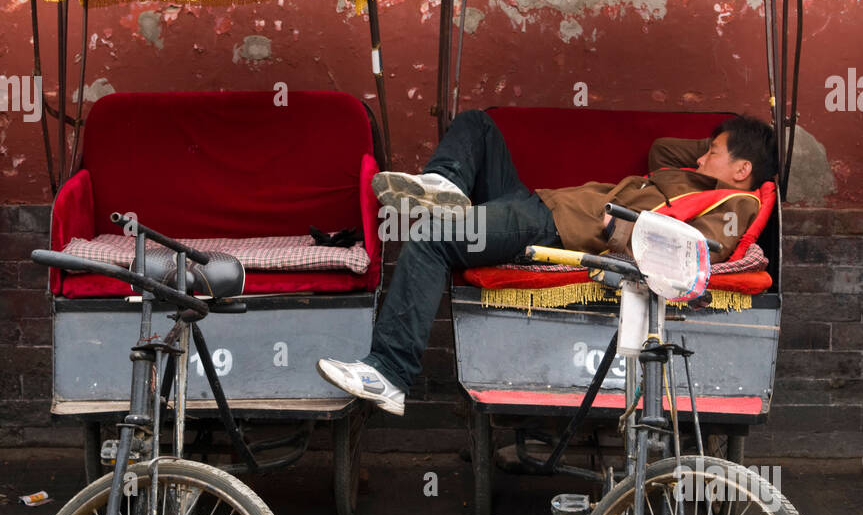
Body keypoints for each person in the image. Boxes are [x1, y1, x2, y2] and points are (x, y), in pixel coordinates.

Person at [317, 110, 777, 416]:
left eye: (712, 152)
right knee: (478, 123)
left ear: (742, 171)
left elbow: (699, 251)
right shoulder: (687, 176)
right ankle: (444, 183)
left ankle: (391, 373)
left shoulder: (737, 204)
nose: (701, 155)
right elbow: (662, 147)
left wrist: (616, 232)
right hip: (539, 204)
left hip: (557, 228)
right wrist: (723, 146)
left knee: (429, 236)